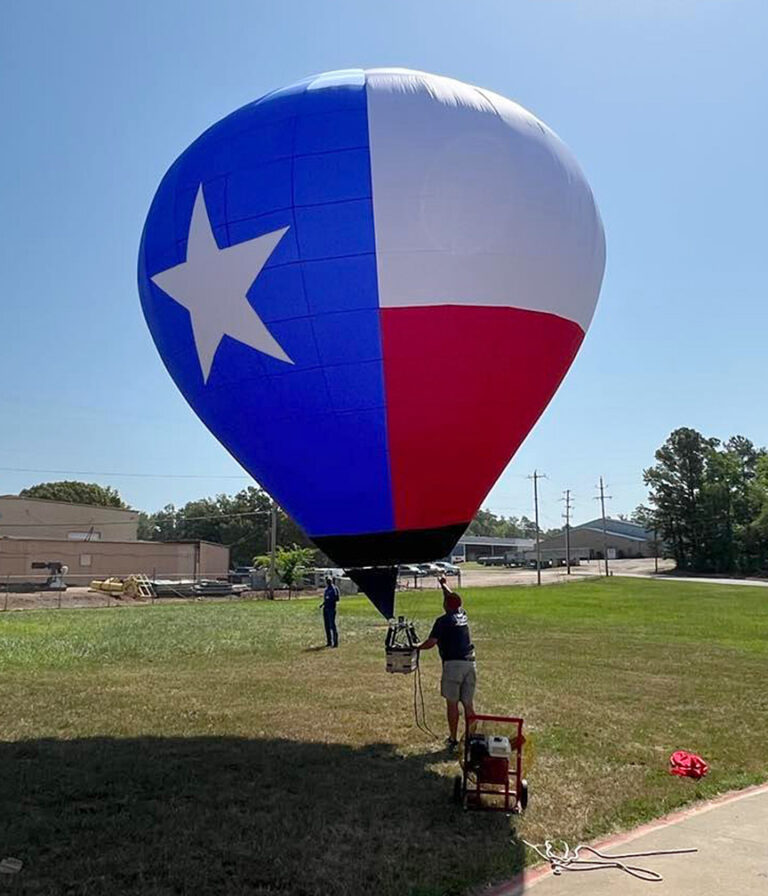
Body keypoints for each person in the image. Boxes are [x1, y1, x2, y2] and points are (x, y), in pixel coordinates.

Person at [416, 576, 476, 749]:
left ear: (446, 606)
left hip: (453, 665)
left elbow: (431, 642)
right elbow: (452, 599)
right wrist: (444, 585)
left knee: (452, 704)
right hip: (470, 663)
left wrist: (417, 646)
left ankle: (453, 738)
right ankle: (472, 739)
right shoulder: (462, 614)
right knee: (468, 704)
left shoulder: (442, 621)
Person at [321, 575, 340, 647]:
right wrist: (323, 604)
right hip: (326, 608)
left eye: (329, 580)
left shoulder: (334, 589)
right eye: (327, 580)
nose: (328, 581)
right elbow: (325, 599)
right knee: (327, 626)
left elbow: (337, 599)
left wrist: (330, 599)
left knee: (332, 625)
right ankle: (329, 642)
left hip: (331, 609)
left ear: (331, 581)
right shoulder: (326, 589)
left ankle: (335, 643)